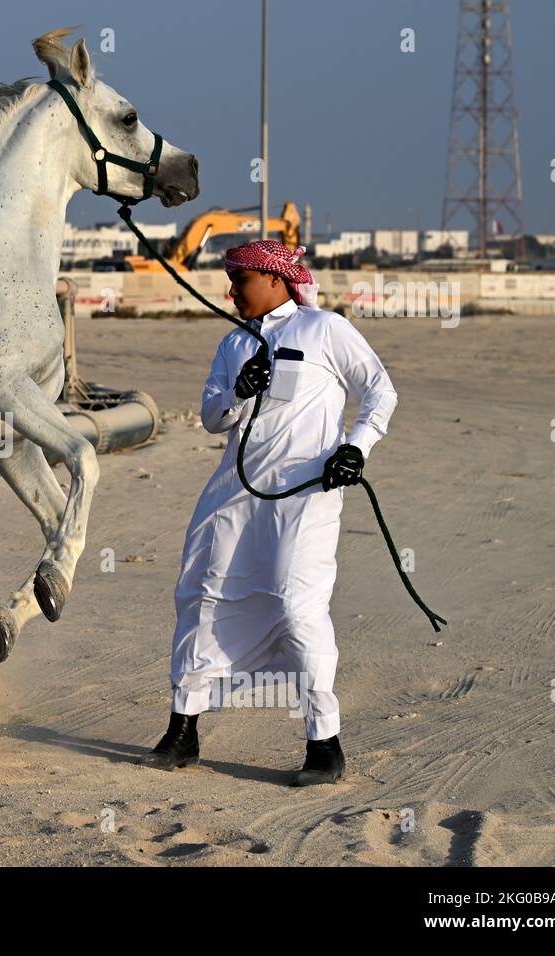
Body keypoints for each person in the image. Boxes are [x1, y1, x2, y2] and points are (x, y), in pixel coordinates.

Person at [139, 240, 397, 785]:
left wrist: (356, 447)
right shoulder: (233, 343)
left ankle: (323, 743)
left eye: (242, 281)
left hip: (306, 493)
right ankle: (182, 730)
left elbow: (379, 389)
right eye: (229, 282)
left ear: (277, 280)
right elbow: (212, 416)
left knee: (295, 602)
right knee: (201, 594)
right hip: (232, 492)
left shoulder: (324, 328)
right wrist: (238, 390)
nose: (231, 292)